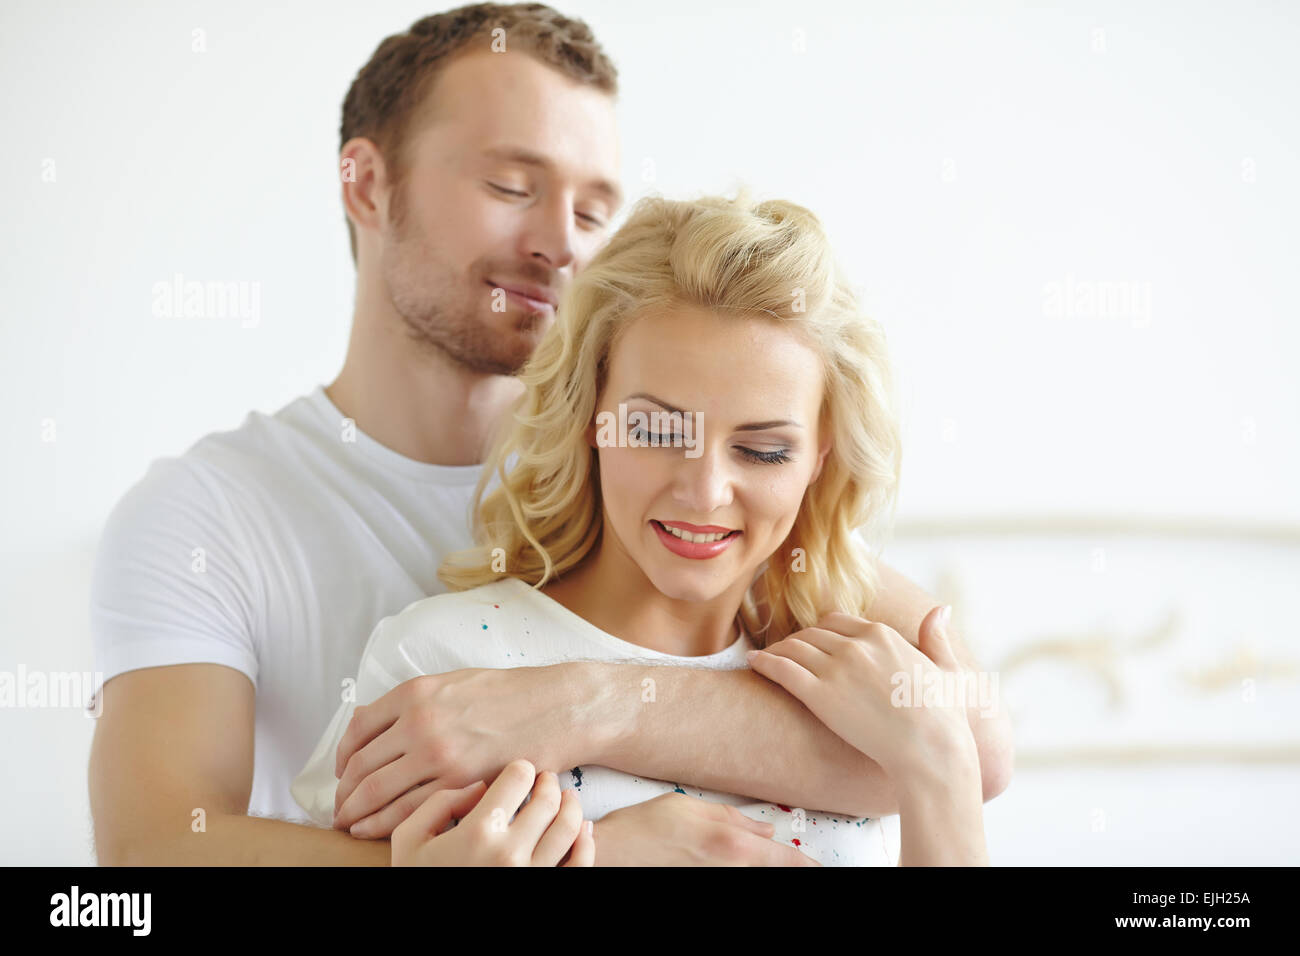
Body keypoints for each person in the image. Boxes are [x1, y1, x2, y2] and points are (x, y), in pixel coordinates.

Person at [88, 3, 1012, 866]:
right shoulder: (211, 514)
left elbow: (964, 748)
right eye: (510, 184)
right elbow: (157, 852)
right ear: (367, 184)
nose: (562, 243)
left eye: (592, 209)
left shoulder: (706, 495)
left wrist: (587, 703)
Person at [293, 191, 988, 866]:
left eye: (763, 450)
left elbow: (979, 756)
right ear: (590, 412)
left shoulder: (858, 693)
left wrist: (943, 762)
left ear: (818, 459)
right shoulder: (441, 665)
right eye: (656, 429)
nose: (704, 491)